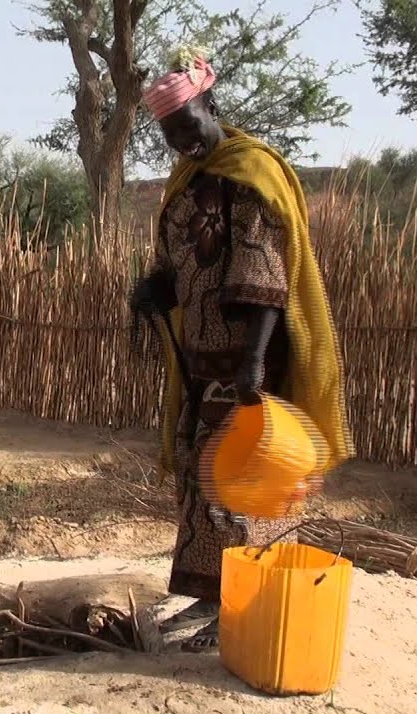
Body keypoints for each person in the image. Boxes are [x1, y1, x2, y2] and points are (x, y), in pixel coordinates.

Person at [130, 48, 354, 651]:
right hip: (201, 361)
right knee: (204, 485)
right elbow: (182, 267)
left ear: (210, 105)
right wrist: (154, 291)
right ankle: (212, 595)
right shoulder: (188, 182)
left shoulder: (250, 174)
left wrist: (254, 361)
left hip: (246, 365)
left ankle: (244, 603)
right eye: (169, 133)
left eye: (187, 124)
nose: (181, 141)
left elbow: (266, 275)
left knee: (245, 486)